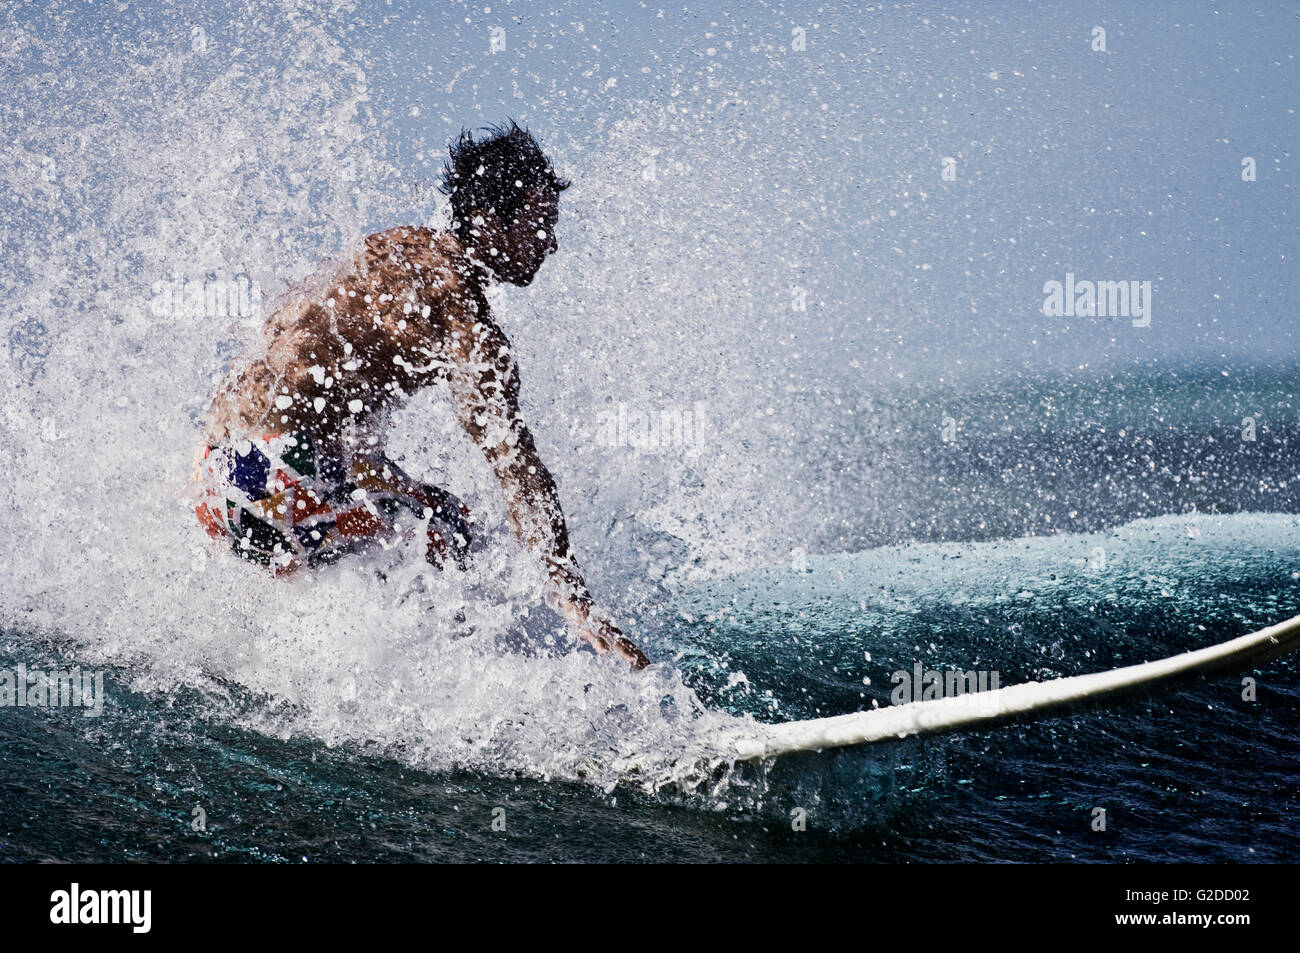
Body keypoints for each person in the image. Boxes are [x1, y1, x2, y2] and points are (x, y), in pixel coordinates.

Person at [194, 121, 648, 670]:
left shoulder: (393, 248)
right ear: (489, 220)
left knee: (418, 507)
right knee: (449, 529)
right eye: (540, 225)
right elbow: (517, 467)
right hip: (274, 478)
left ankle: (308, 662)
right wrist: (577, 601)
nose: (550, 243)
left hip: (216, 471)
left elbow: (289, 350)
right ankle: (451, 697)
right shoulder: (466, 320)